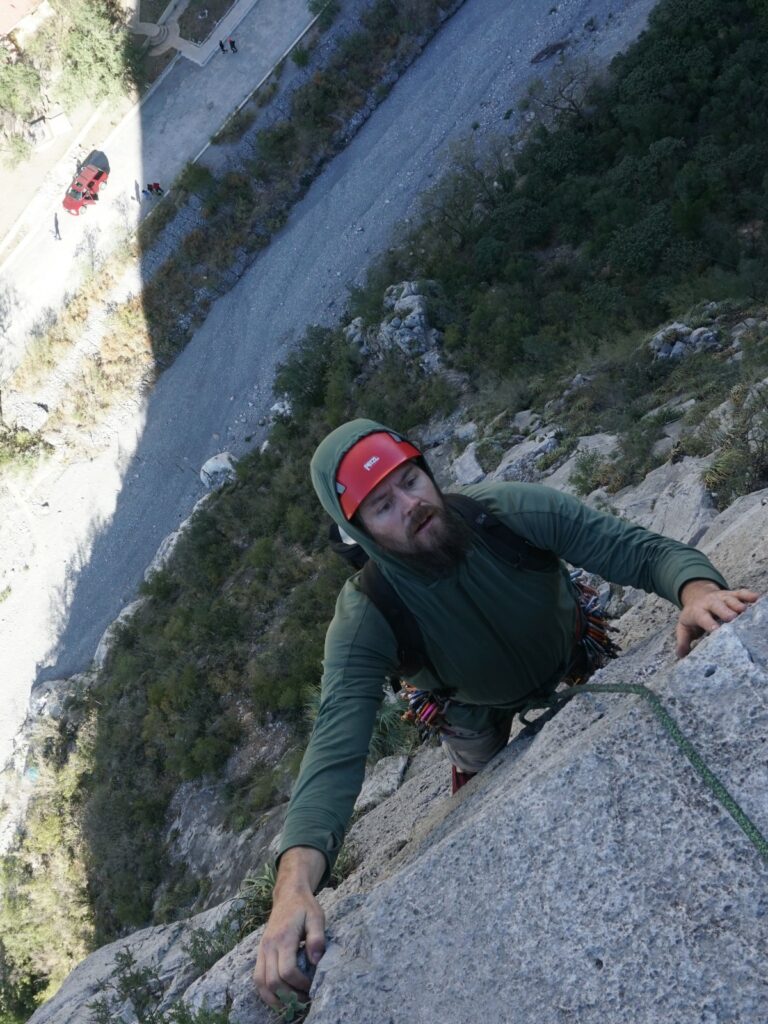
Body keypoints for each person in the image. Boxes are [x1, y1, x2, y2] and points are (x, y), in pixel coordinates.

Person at [254, 417, 758, 1009]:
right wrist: (292, 889)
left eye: (411, 480)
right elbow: (336, 752)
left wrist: (696, 591)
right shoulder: (367, 615)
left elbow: (636, 550)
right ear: (356, 534)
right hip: (467, 703)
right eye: (383, 506)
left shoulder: (508, 513)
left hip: (569, 645)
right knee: (476, 771)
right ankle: (476, 780)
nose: (412, 504)